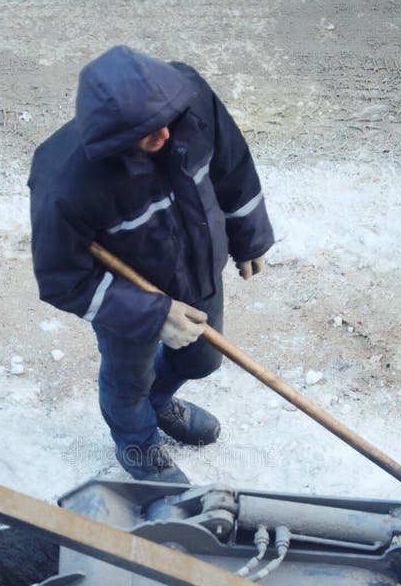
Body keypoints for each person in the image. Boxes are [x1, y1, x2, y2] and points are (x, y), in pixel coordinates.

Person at [28, 45, 274, 483]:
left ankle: (158, 404)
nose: (162, 134)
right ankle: (135, 442)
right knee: (127, 379)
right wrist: (155, 315)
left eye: (165, 119)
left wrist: (249, 232)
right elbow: (61, 280)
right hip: (131, 301)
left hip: (200, 271)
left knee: (201, 360)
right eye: (143, 132)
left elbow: (232, 165)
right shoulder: (66, 180)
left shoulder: (188, 99)